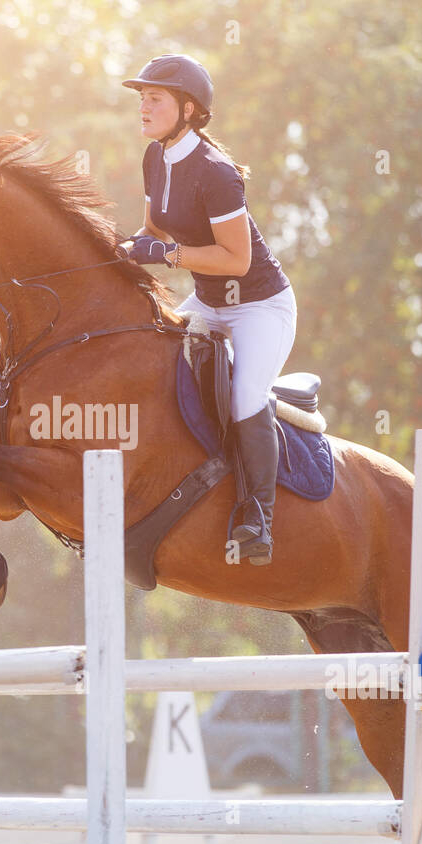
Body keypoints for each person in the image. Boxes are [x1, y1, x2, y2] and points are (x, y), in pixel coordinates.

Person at [122, 53, 297, 565]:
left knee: (245, 394)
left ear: (188, 107)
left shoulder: (216, 173)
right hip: (209, 301)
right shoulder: (156, 158)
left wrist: (169, 255)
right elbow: (152, 233)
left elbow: (237, 260)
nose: (144, 106)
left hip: (260, 307)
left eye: (154, 98)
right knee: (153, 358)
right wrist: (121, 249)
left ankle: (258, 516)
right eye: (142, 98)